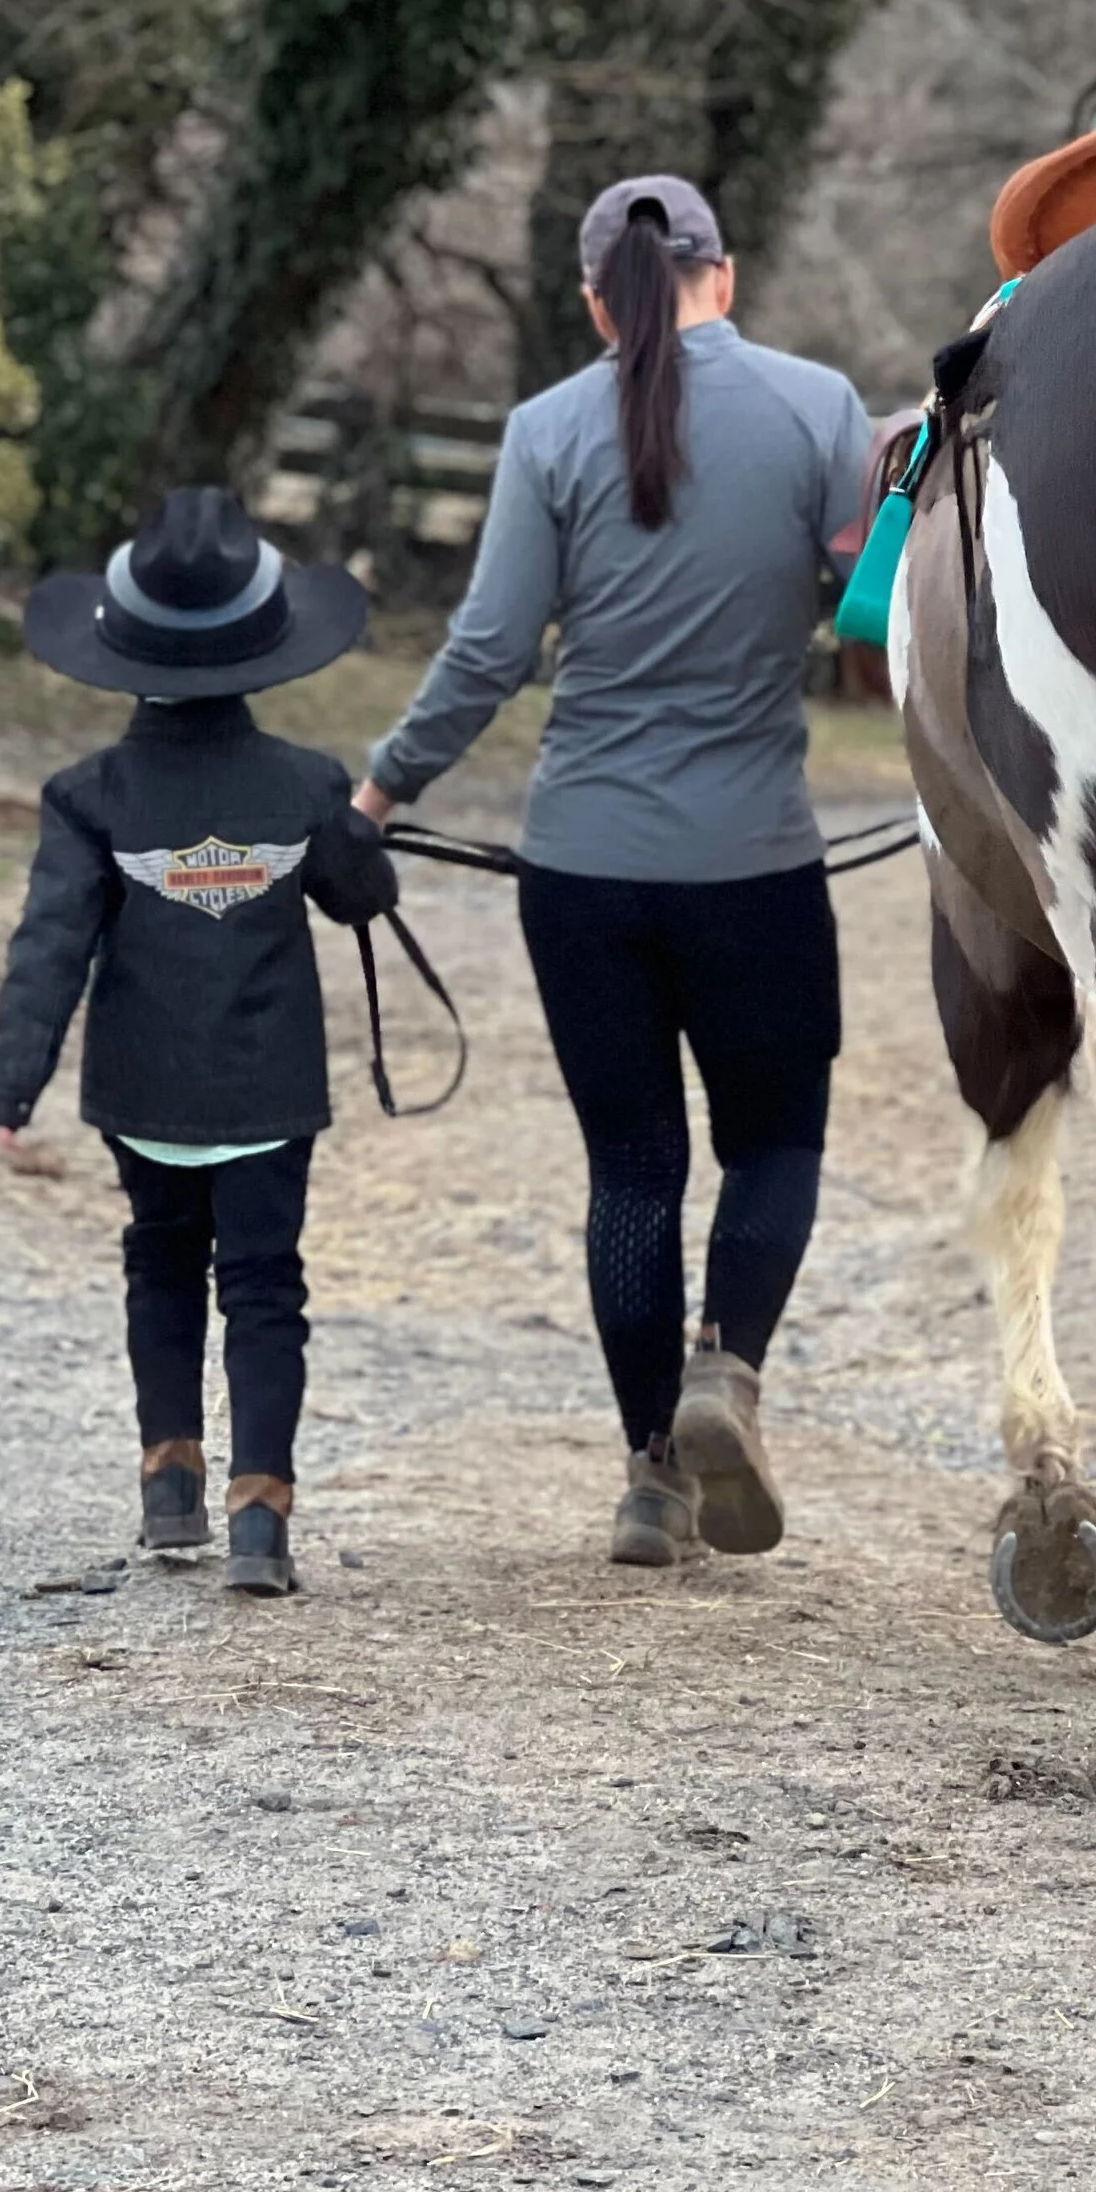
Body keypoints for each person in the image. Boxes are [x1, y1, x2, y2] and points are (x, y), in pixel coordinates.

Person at [355, 175, 873, 1568]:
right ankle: (727, 1370)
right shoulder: (820, 409)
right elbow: (870, 608)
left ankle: (653, 1476)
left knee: (632, 1171)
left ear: (598, 302)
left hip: (582, 870)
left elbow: (489, 649)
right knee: (775, 1145)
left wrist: (382, 788)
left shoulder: (545, 432)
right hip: (754, 863)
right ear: (725, 274)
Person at [0, 487, 399, 1597]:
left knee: (160, 1263)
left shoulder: (90, 795)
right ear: (264, 648)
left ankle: (169, 1477)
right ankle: (261, 1516)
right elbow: (361, 897)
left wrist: (12, 1088)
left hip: (145, 1095)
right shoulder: (306, 783)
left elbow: (49, 944)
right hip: (268, 1094)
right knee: (264, 1286)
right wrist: (359, 833)